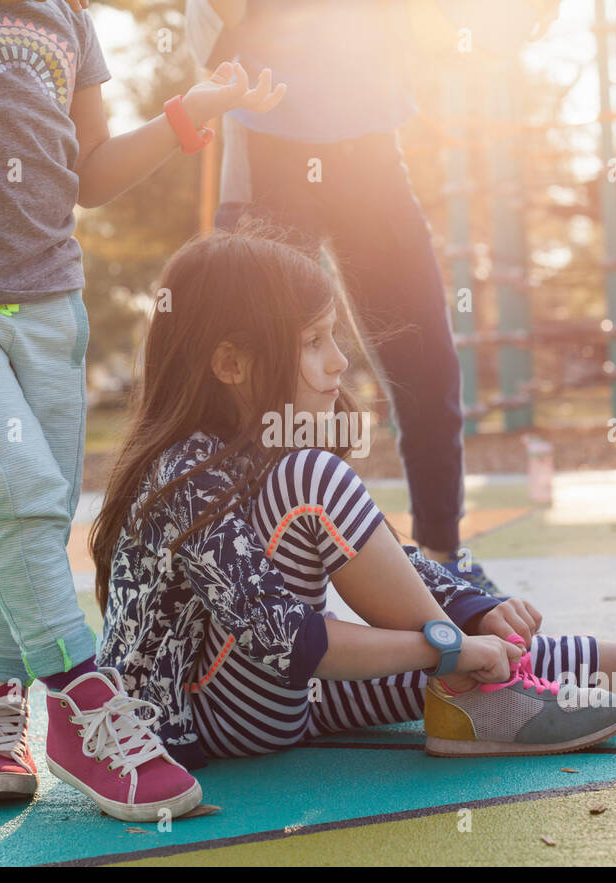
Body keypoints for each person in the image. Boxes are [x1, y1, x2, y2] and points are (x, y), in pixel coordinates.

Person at [89, 228, 616, 771]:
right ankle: (466, 684)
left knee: (532, 661)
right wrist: (443, 646)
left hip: (277, 705)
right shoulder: (184, 475)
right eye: (314, 341)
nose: (339, 361)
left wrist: (475, 613)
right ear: (232, 364)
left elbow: (384, 569)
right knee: (320, 485)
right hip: (209, 717)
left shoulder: (262, 461)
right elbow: (285, 640)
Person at [0, 0, 285, 821]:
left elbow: (93, 169)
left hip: (46, 300)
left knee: (22, 510)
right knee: (23, 488)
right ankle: (81, 702)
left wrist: (192, 113)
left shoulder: (68, 13)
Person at [185, 0, 525, 597]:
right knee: (251, 366)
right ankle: (246, 563)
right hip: (271, 151)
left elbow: (450, 33)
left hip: (371, 154)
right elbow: (212, 50)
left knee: (427, 363)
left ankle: (443, 559)